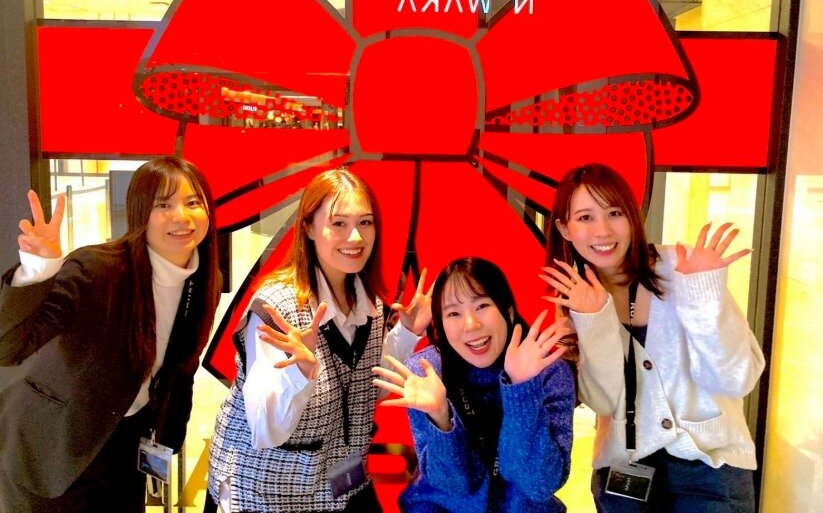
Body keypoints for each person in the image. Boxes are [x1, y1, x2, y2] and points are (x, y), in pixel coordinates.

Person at [0, 155, 222, 513]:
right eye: (163, 205)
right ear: (139, 212)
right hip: (50, 446)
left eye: (193, 202)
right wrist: (38, 270)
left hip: (123, 446)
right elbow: (9, 347)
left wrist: (168, 441)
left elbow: (183, 367)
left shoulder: (205, 280)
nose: (182, 216)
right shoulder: (98, 268)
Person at [540, 163, 765, 513]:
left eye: (615, 213)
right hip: (625, 466)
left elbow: (735, 379)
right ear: (565, 229)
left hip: (711, 464)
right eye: (585, 218)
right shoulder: (574, 297)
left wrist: (704, 295)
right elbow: (604, 402)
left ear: (632, 216)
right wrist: (593, 319)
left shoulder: (684, 268)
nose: (602, 230)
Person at [208, 168, 432, 513]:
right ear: (309, 229)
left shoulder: (368, 301)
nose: (355, 237)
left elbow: (366, 383)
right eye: (338, 223)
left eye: (366, 223)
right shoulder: (278, 307)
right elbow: (265, 430)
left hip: (338, 484)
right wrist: (297, 373)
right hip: (264, 491)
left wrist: (407, 332)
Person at [373, 257, 576, 513]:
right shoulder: (426, 371)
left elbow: (539, 484)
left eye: (482, 306)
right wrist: (440, 417)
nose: (471, 325)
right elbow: (452, 484)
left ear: (508, 311)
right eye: (453, 313)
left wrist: (522, 389)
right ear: (440, 323)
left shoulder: (549, 372)